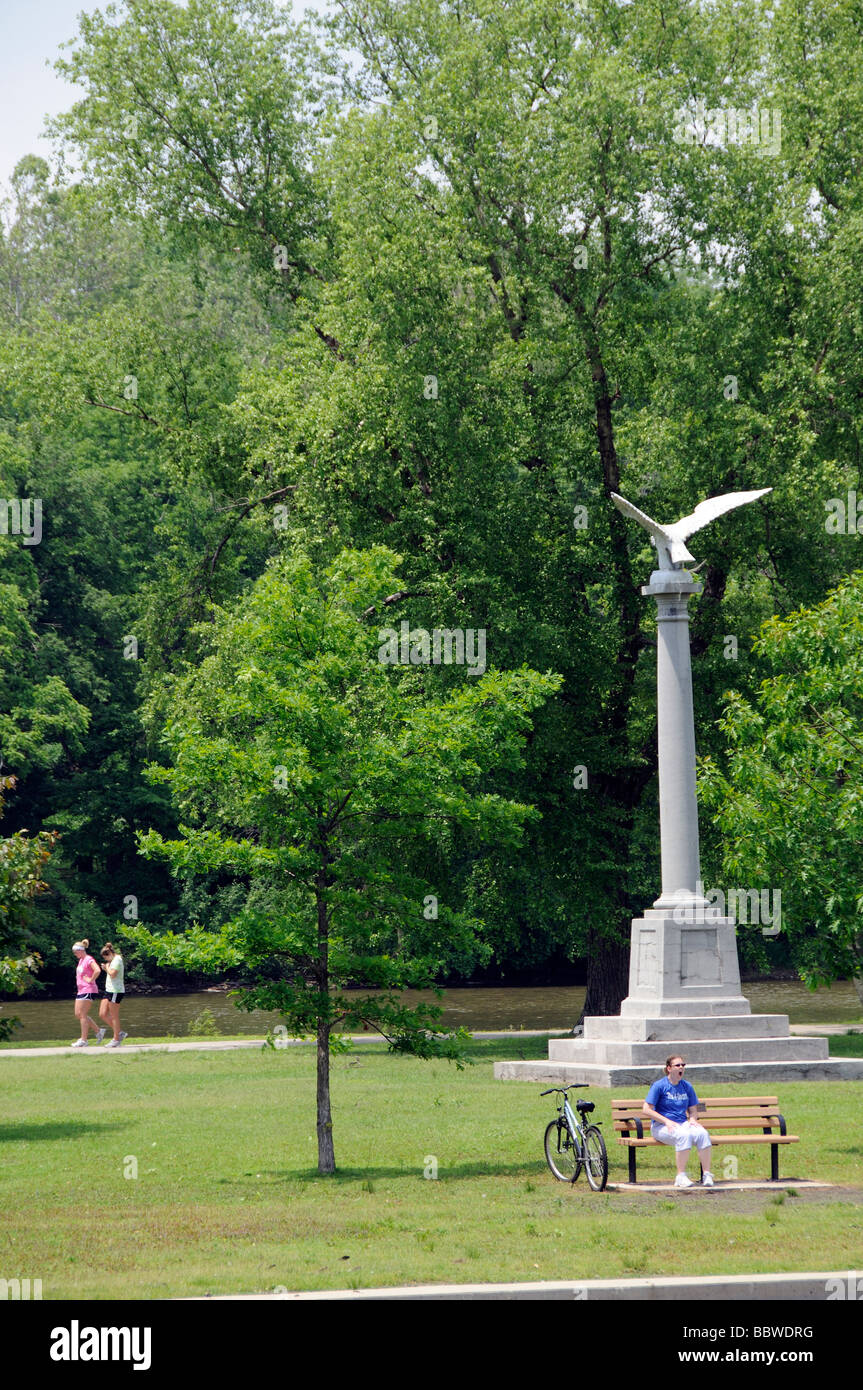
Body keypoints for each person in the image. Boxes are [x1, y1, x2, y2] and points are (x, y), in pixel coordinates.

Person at [642, 1054, 715, 1188]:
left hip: (682, 1124)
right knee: (683, 1135)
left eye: (683, 1065)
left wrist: (692, 1119)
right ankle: (680, 1176)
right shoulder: (659, 1086)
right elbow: (646, 1109)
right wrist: (666, 1121)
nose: (681, 1067)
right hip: (661, 1126)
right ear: (669, 1068)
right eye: (677, 1065)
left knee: (703, 1134)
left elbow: (693, 1110)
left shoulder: (687, 1086)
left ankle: (707, 1174)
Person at [71, 939, 102, 1047]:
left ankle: (84, 1040)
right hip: (81, 990)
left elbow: (97, 970)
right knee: (78, 1014)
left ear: (81, 950)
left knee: (83, 1014)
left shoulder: (89, 959)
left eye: (75, 952)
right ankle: (98, 1031)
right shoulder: (81, 960)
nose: (74, 954)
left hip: (89, 989)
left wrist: (90, 979)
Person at [98, 943, 128, 1048]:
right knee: (102, 1013)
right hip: (109, 990)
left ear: (110, 953)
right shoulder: (112, 961)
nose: (106, 960)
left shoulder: (117, 960)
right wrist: (107, 966)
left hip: (116, 990)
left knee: (114, 1016)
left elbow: (113, 974)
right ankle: (119, 1033)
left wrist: (106, 968)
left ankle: (116, 1039)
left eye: (106, 958)